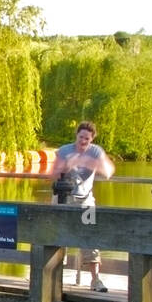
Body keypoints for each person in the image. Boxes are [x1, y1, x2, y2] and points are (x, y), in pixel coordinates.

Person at [50, 122, 115, 292]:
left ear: (92, 139)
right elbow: (52, 174)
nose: (83, 141)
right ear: (76, 135)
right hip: (63, 198)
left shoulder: (95, 151)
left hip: (86, 200)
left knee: (89, 237)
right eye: (81, 137)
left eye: (87, 138)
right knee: (58, 236)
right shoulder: (64, 150)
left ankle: (95, 280)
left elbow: (108, 172)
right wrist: (66, 166)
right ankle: (55, 278)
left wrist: (92, 163)